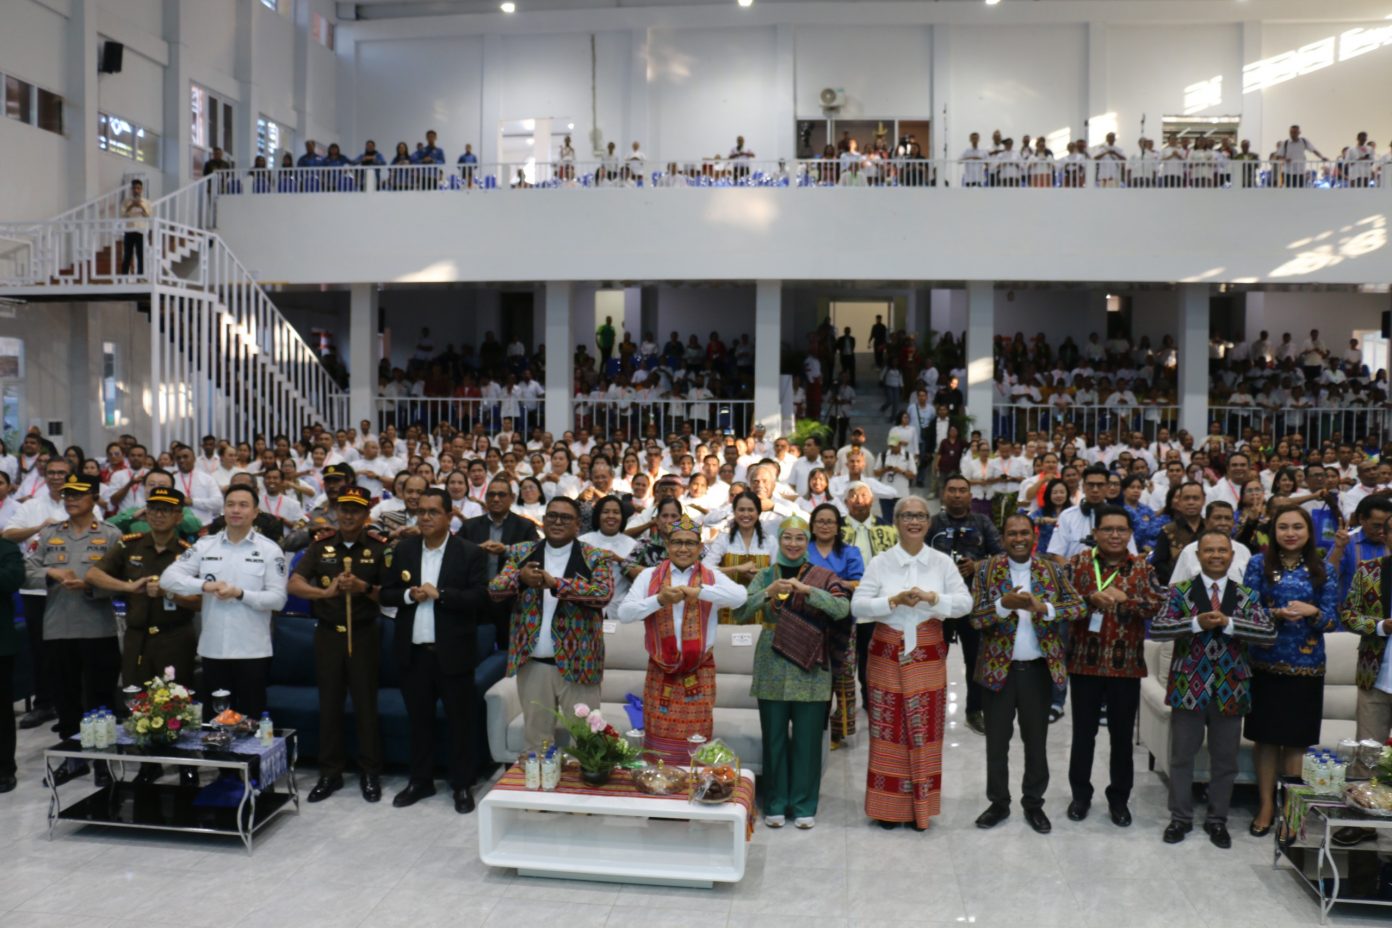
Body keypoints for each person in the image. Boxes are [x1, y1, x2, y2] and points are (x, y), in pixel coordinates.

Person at [851, 495, 972, 831]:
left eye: (920, 515)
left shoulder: (942, 563)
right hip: (886, 652)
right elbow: (857, 606)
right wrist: (892, 601)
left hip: (928, 655)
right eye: (906, 515)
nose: (914, 521)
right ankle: (887, 808)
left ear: (928, 522)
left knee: (924, 732)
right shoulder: (881, 562)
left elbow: (965, 603)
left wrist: (935, 599)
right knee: (888, 730)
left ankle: (920, 808)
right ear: (897, 522)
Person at [1152, 530, 1276, 848]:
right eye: (1210, 550)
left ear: (1232, 556)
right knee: (1181, 758)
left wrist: (1229, 623)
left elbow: (1268, 633)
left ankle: (1217, 820)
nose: (1216, 555)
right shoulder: (1180, 592)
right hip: (1187, 688)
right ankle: (1179, 819)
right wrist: (1196, 623)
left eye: (1223, 550)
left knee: (1225, 761)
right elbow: (1159, 628)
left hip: (1231, 690)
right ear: (1198, 555)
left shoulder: (1246, 594)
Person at [970, 514, 1086, 834]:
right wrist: (1002, 605)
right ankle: (999, 803)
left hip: (1038, 671)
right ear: (1003, 537)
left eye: (1024, 533)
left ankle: (1033, 803)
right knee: (997, 743)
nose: (1018, 538)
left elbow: (1078, 607)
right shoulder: (986, 569)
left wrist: (1045, 609)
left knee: (1036, 742)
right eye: (1011, 533)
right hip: (997, 672)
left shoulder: (1050, 569)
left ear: (1034, 535)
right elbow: (975, 619)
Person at [734, 515, 851, 829]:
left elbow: (842, 609)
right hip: (771, 666)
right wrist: (767, 592)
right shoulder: (765, 575)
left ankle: (803, 804)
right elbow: (740, 611)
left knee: (807, 741)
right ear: (779, 540)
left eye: (800, 538)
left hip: (811, 667)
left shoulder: (823, 576)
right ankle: (774, 802)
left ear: (808, 541)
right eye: (788, 538)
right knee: (773, 739)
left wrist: (806, 590)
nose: (794, 544)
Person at [378, 488, 487, 813]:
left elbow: (480, 598)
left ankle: (462, 785)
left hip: (453, 654)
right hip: (413, 654)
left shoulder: (469, 553)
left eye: (432, 512)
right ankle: (420, 781)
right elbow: (386, 594)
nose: (425, 517)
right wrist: (410, 596)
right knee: (419, 722)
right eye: (421, 511)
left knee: (460, 723)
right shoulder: (405, 550)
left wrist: (441, 594)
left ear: (449, 516)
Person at [286, 487, 390, 804]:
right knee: (329, 705)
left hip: (364, 633)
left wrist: (364, 587)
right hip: (329, 633)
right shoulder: (320, 546)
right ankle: (330, 773)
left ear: (366, 515)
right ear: (336, 511)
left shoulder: (378, 547)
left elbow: (391, 593)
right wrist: (325, 594)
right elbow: (295, 583)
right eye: (344, 509)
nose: (348, 515)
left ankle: (370, 772)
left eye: (355, 510)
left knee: (365, 705)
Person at [488, 496, 615, 753]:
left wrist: (558, 584)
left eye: (565, 517)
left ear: (578, 525)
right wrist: (519, 579)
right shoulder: (521, 552)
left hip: (579, 665)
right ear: (543, 521)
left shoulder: (595, 556)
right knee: (536, 744)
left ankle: (582, 793)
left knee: (587, 743)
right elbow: (494, 590)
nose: (557, 521)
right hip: (533, 664)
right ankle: (540, 790)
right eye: (552, 516)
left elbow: (603, 594)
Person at [1064, 505, 1165, 826]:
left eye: (1121, 530)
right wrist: (1088, 600)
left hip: (1126, 668)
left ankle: (1119, 798)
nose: (1115, 535)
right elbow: (1060, 606)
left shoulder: (1141, 568)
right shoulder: (1078, 565)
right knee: (1083, 735)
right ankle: (1080, 795)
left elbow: (1159, 606)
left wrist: (1127, 600)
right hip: (1084, 664)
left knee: (1121, 738)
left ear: (1130, 534)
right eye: (1108, 529)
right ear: (1095, 533)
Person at [1242, 505, 1338, 837]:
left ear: (1309, 532)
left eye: (1298, 526)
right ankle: (1266, 805)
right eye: (1283, 527)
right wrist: (1277, 614)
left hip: (1307, 668)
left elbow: (1331, 620)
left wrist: (1312, 612)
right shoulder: (1258, 564)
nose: (1290, 533)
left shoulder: (1323, 568)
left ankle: (1292, 813)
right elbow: (1247, 613)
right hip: (1265, 665)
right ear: (1273, 531)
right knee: (1266, 740)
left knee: (1296, 743)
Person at [618, 513, 747, 763]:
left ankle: (694, 787)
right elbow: (624, 614)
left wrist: (699, 592)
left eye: (690, 543)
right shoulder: (649, 576)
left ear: (700, 547)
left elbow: (740, 596)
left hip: (698, 670)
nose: (683, 548)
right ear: (667, 545)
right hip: (660, 668)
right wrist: (659, 600)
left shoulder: (710, 576)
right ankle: (659, 783)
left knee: (697, 737)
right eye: (677, 542)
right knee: (657, 736)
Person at [25, 473, 124, 787]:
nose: (69, 499)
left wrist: (92, 587)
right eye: (66, 494)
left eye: (77, 494)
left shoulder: (110, 534)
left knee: (101, 698)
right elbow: (26, 570)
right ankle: (73, 759)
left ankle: (104, 762)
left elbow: (122, 581)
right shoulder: (51, 532)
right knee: (65, 699)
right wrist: (51, 572)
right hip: (58, 627)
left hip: (98, 628)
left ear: (94, 497)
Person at [160, 484, 288, 720]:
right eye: (230, 504)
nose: (236, 510)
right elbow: (168, 579)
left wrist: (240, 593)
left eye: (243, 505)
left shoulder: (269, 550)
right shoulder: (204, 546)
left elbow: (278, 600)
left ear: (255, 512)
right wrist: (205, 586)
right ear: (223, 510)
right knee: (213, 724)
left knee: (251, 724)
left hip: (252, 652)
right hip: (213, 649)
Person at [927, 473, 1004, 736]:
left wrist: (977, 565)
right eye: (952, 490)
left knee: (976, 659)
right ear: (944, 494)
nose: (957, 494)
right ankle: (931, 711)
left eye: (962, 490)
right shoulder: (932, 523)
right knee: (935, 659)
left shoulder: (982, 522)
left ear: (970, 495)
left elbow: (1002, 557)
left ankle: (974, 711)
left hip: (973, 602)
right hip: (938, 604)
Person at [806, 503, 864, 746]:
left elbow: (858, 583)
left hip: (842, 623)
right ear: (812, 525)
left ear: (838, 526)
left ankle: (838, 732)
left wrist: (827, 585)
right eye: (820, 521)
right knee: (812, 674)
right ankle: (813, 727)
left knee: (841, 676)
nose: (825, 525)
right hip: (808, 622)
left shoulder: (850, 552)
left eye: (830, 521)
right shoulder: (804, 549)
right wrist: (837, 584)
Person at [703, 491, 776, 624]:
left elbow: (778, 576)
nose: (746, 514)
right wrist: (736, 569)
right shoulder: (723, 539)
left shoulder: (770, 541)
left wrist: (760, 577)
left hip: (761, 610)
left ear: (758, 512)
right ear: (734, 512)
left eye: (751, 510)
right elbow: (704, 569)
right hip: (727, 610)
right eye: (741, 510)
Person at [0, 535, 22, 792]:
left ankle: (4, 768)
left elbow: (13, 579)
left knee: (2, 711)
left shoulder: (6, 548)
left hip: (1, 645)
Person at [119, 178, 151, 275]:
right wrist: (131, 206)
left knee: (140, 254)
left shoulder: (146, 202)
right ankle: (123, 276)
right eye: (134, 188)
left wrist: (141, 206)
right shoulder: (126, 202)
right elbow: (122, 215)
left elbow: (148, 215)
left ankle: (140, 276)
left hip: (140, 230)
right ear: (131, 189)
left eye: (138, 188)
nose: (136, 190)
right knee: (127, 254)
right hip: (129, 230)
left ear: (141, 189)